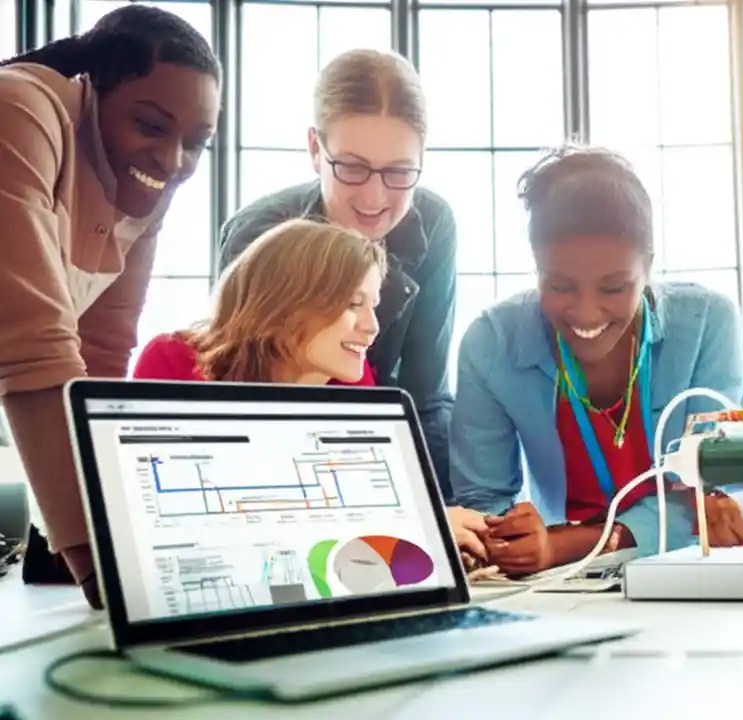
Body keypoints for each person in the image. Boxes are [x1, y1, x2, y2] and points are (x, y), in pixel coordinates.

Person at [0, 6, 221, 607]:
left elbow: (100, 351)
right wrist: (107, 570)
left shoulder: (150, 182)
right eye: (151, 126)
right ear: (93, 89)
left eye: (197, 143)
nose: (173, 162)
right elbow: (31, 342)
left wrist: (130, 535)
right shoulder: (18, 109)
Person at [448, 146, 743, 576]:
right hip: (557, 585)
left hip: (685, 574)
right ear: (536, 267)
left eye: (613, 288)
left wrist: (563, 544)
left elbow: (713, 500)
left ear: (648, 267)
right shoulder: (490, 344)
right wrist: (508, 539)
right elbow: (481, 509)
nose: (586, 313)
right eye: (560, 285)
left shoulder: (708, 325)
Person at [219, 48, 458, 500]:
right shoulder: (258, 234)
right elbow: (243, 400)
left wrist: (438, 516)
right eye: (351, 167)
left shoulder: (434, 223)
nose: (374, 196)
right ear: (315, 149)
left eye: (399, 172)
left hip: (378, 450)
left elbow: (423, 398)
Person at [132, 219, 383, 387]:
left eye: (373, 305)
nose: (372, 327)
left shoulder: (352, 378)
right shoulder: (173, 363)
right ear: (286, 303)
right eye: (353, 304)